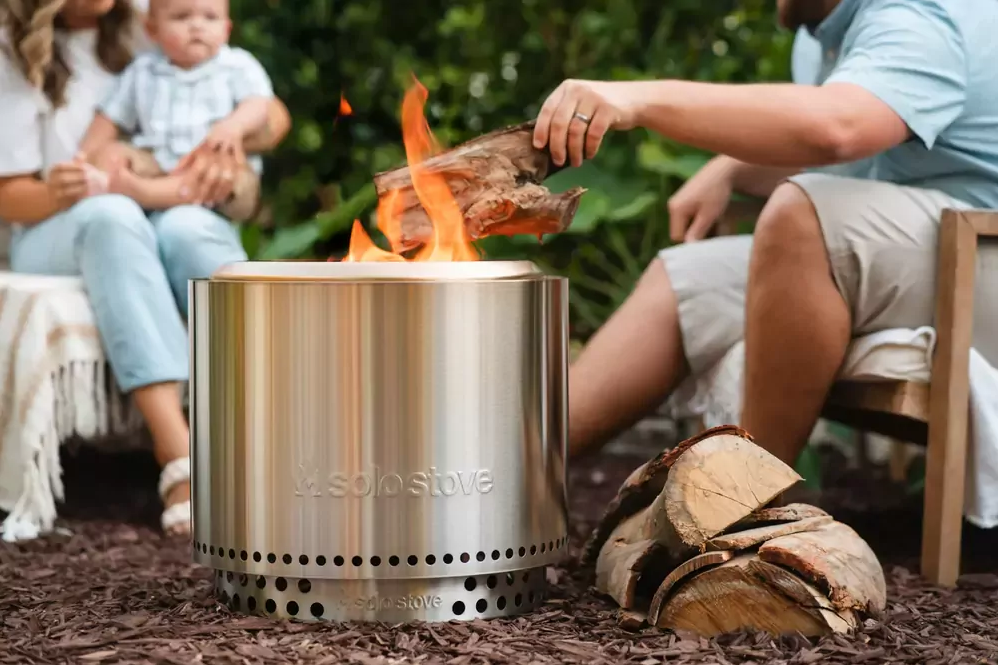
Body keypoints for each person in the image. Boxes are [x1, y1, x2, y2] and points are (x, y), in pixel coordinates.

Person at [531, 0, 998, 468]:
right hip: (929, 248)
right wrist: (730, 170)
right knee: (688, 279)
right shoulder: (822, 39)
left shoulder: (918, 11)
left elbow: (840, 126)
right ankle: (512, 473)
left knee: (804, 216)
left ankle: (747, 506)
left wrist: (638, 100)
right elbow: (854, 141)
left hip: (984, 252)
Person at [0, 0, 291, 536]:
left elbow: (271, 117)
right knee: (113, 215)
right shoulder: (10, 46)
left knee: (188, 228)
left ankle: (269, 428)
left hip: (157, 208)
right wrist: (65, 187)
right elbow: (8, 196)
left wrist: (220, 152)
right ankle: (176, 453)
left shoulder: (148, 17)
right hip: (51, 228)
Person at [79, 0, 273, 222]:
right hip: (157, 162)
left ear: (226, 29)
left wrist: (233, 127)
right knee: (110, 153)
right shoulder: (142, 71)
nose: (197, 26)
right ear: (152, 30)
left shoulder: (237, 65)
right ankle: (122, 191)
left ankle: (146, 194)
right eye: (182, 17)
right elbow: (111, 116)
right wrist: (84, 161)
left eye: (210, 17)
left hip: (218, 170)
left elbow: (260, 104)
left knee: (225, 178)